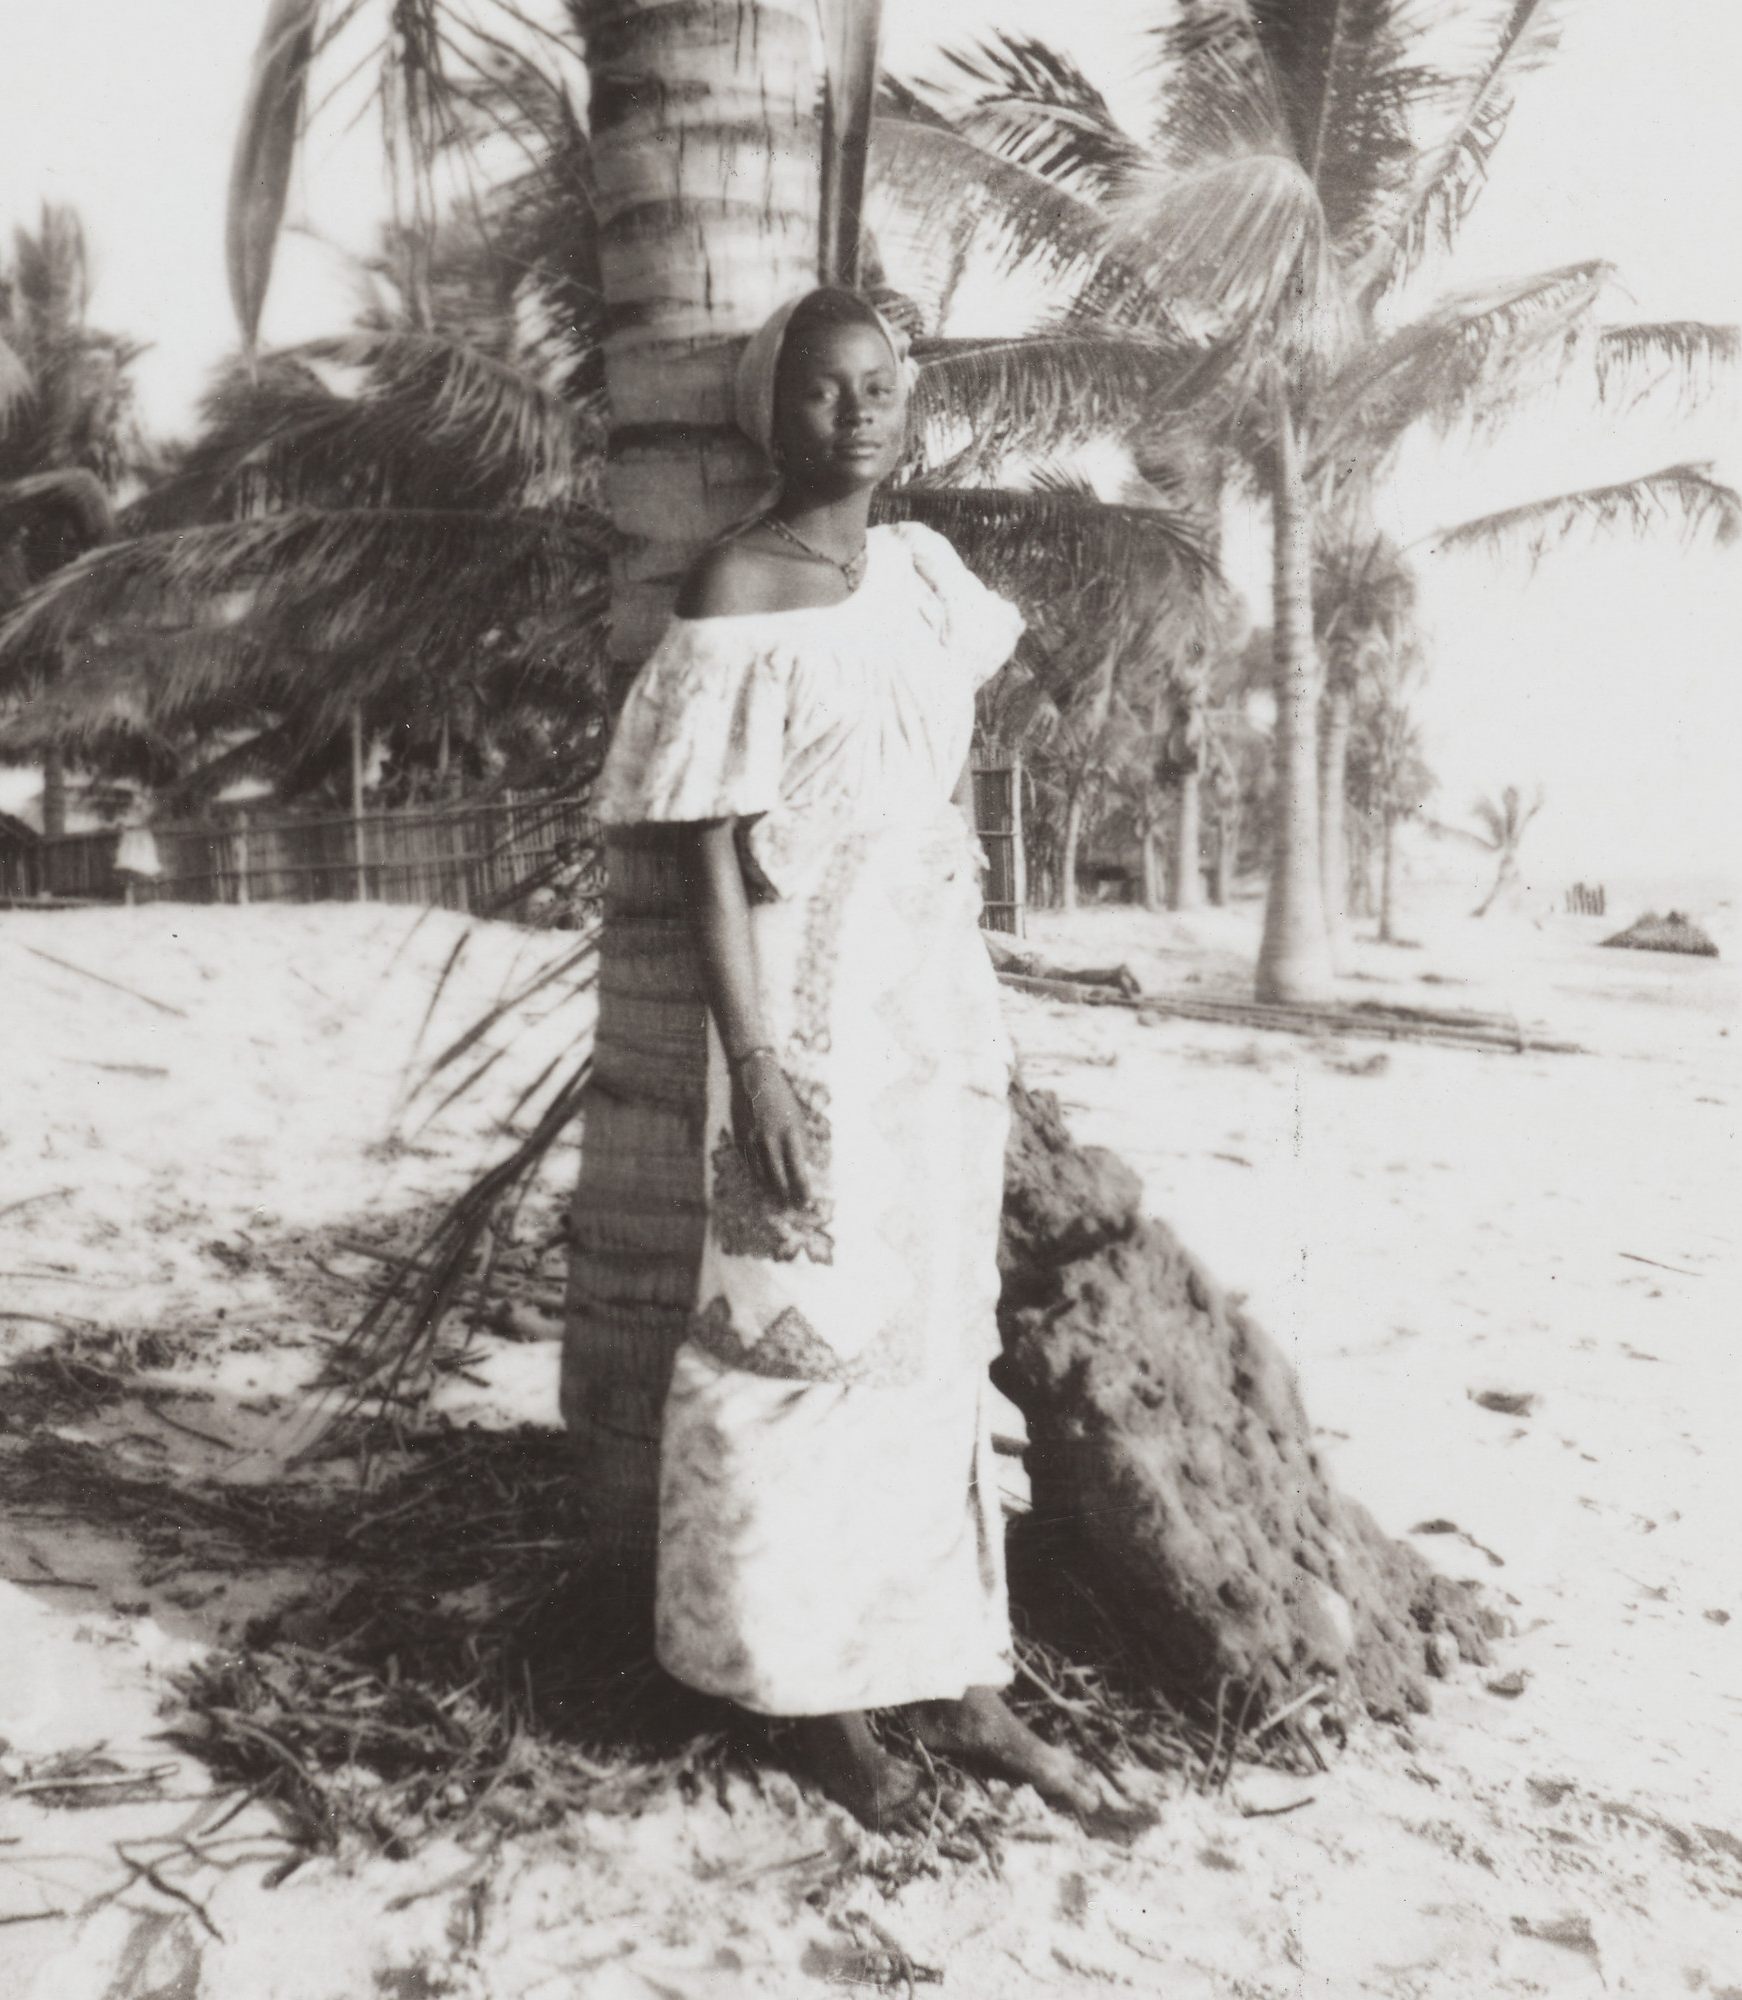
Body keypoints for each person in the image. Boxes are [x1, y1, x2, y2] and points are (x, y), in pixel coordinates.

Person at [593, 287, 1104, 1830]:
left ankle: (960, 1680)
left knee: (934, 1355)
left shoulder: (929, 577)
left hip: (931, 1014)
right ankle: (812, 1701)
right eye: (825, 391)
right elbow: (701, 851)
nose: (859, 412)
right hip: (804, 1021)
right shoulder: (739, 584)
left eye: (880, 384)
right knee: (798, 1339)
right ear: (774, 413)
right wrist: (757, 1064)